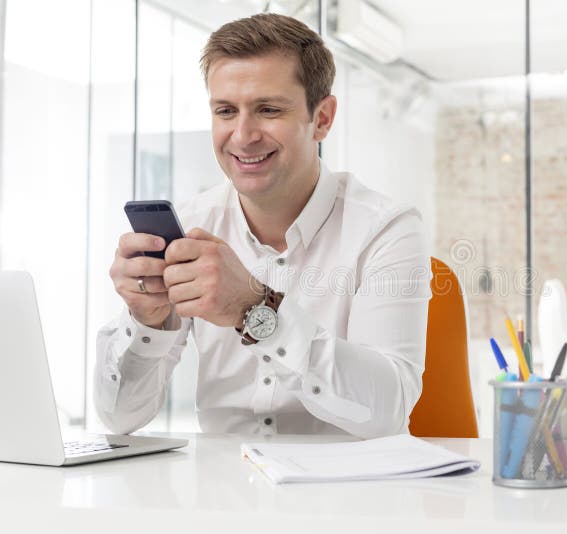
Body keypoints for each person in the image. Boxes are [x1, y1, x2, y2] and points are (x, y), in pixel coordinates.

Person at [95, 13, 431, 439]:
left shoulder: (386, 229)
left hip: (343, 479)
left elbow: (386, 412)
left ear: (322, 118)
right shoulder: (193, 226)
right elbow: (120, 418)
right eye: (225, 111)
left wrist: (256, 309)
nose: (242, 135)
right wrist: (147, 322)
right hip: (220, 478)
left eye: (268, 110)